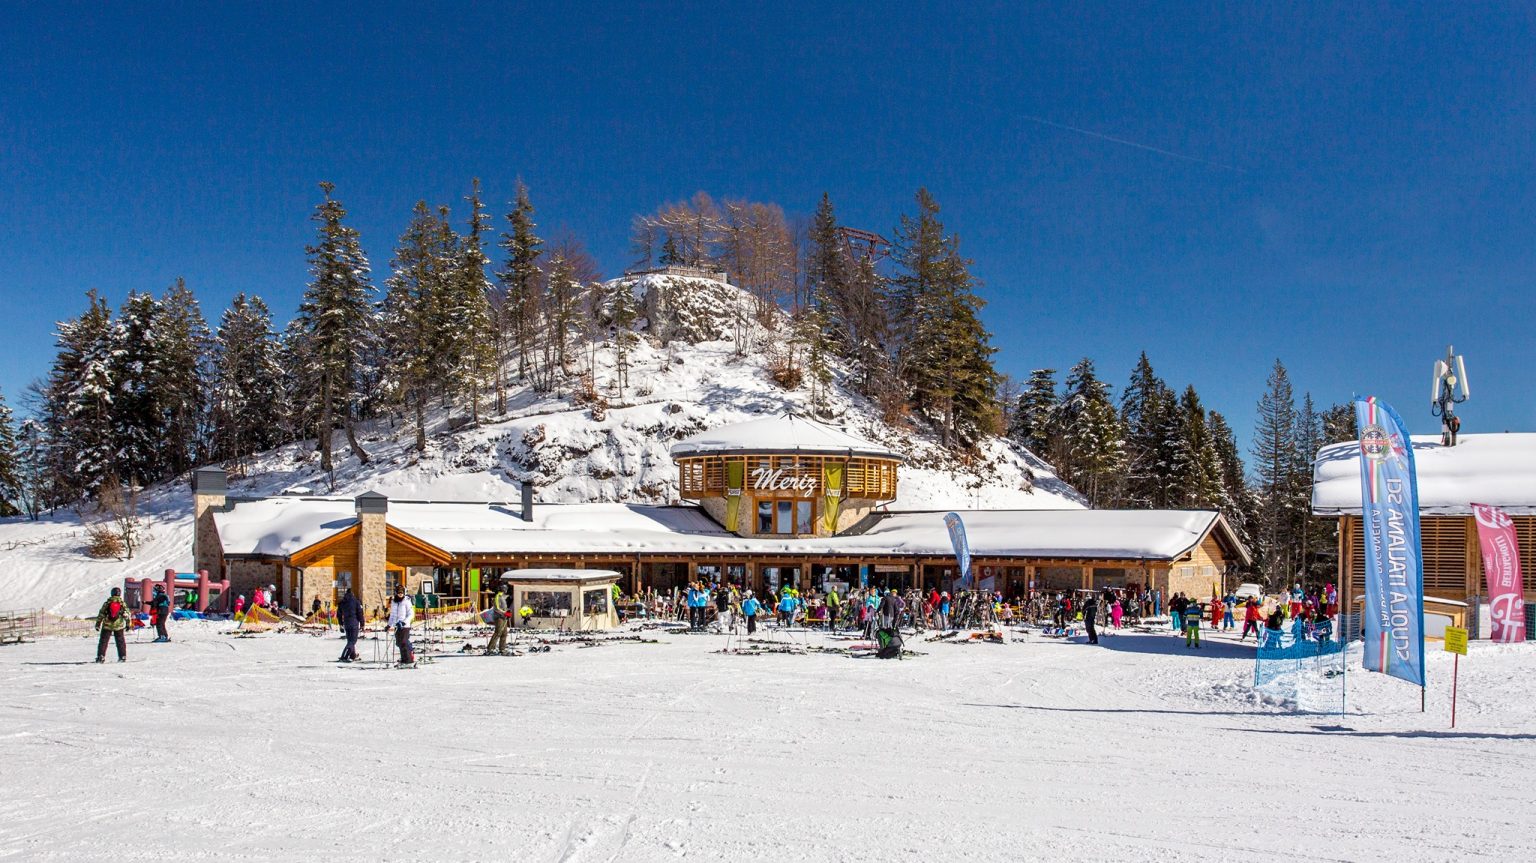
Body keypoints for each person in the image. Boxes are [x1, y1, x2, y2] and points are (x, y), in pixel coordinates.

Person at [94, 587, 130, 663]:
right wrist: (128, 624)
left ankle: (101, 657)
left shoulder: (107, 603)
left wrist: (98, 624)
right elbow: (127, 614)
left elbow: (101, 614)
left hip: (107, 625)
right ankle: (122, 656)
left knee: (103, 642)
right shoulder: (122, 603)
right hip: (119, 625)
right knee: (120, 641)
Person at [387, 588, 415, 666]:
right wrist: (389, 624)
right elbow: (392, 615)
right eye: (399, 593)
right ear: (396, 593)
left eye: (401, 593)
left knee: (404, 642)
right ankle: (404, 659)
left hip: (405, 626)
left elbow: (411, 614)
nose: (400, 594)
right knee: (399, 643)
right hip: (397, 625)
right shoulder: (394, 602)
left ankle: (408, 660)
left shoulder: (407, 601)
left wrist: (403, 622)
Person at [337, 587, 364, 662]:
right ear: (352, 594)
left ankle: (353, 655)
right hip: (354, 623)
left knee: (349, 640)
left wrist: (340, 624)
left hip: (346, 623)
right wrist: (362, 623)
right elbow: (360, 614)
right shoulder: (356, 601)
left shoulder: (342, 602)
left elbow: (339, 614)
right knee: (353, 641)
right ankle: (344, 656)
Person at [485, 584, 512, 655]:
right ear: (503, 589)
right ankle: (490, 649)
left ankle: (502, 649)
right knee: (498, 632)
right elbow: (496, 608)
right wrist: (504, 613)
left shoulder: (503, 597)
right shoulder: (498, 596)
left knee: (504, 633)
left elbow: (503, 608)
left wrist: (508, 612)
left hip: (504, 617)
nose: (506, 590)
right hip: (499, 617)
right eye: (505, 589)